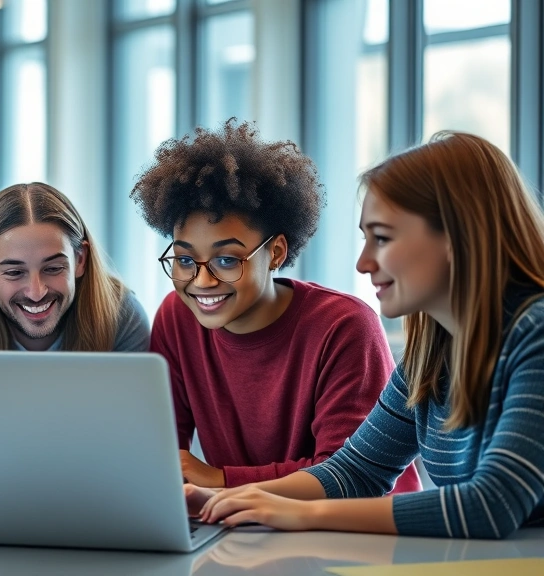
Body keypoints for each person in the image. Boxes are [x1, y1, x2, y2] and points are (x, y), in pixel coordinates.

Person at [191, 132, 544, 538]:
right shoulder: (433, 352)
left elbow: (490, 505)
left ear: (457, 236)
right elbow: (356, 471)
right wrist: (232, 498)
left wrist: (302, 515)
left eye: (382, 238)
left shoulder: (535, 333)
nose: (363, 263)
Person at [131, 119, 420, 492]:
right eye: (185, 261)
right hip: (246, 523)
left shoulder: (343, 326)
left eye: (227, 260)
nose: (201, 282)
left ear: (276, 252)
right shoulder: (177, 316)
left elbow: (348, 475)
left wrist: (222, 481)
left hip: (365, 532)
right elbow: (161, 452)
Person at [0, 182, 150, 351]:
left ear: (80, 260)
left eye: (53, 268)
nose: (36, 292)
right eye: (14, 273)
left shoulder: (121, 316)